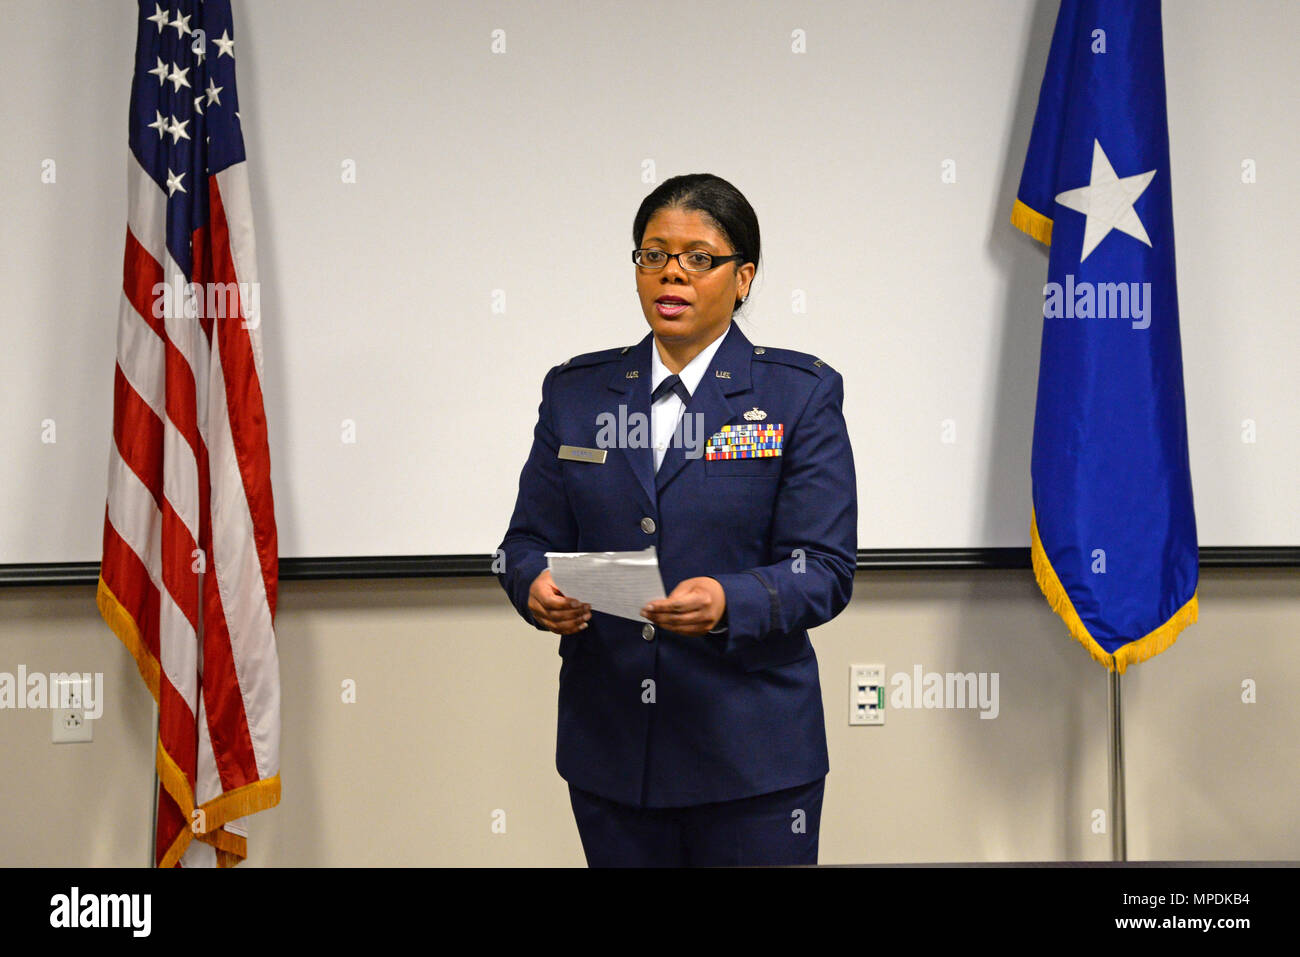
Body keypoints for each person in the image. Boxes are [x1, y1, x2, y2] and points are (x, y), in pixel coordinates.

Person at [496, 172, 857, 866]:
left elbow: (827, 569)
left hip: (753, 759)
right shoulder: (575, 392)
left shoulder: (798, 395)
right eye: (653, 253)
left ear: (744, 277)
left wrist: (730, 599)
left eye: (699, 257)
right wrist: (534, 586)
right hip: (612, 753)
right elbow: (526, 542)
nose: (672, 273)